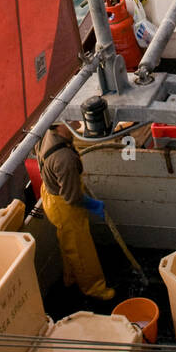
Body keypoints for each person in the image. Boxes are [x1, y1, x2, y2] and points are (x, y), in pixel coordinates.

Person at [36, 122, 114, 301]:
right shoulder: (64, 158)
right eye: (71, 118)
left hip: (50, 193)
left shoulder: (48, 133)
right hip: (64, 207)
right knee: (81, 250)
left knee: (68, 244)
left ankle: (70, 278)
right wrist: (93, 205)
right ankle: (94, 289)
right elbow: (72, 198)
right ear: (58, 125)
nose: (77, 120)